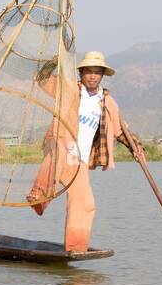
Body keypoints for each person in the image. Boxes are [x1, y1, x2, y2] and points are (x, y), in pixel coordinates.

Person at [25, 50, 145, 254]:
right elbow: (41, 78)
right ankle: (39, 196)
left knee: (85, 204)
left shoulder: (108, 103)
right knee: (58, 154)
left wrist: (137, 148)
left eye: (97, 72)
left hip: (79, 160)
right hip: (59, 145)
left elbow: (119, 131)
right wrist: (54, 61)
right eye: (88, 71)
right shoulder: (68, 89)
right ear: (81, 73)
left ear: (102, 76)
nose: (92, 76)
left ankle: (76, 247)